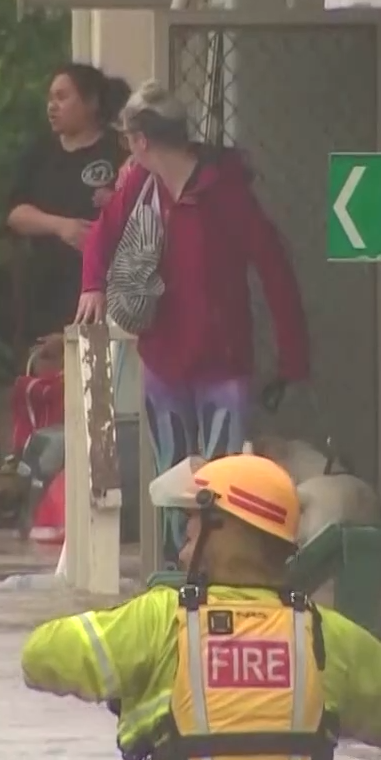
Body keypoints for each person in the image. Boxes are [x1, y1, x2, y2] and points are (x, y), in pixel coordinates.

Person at [19, 453, 381, 760]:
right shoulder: (327, 637)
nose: (182, 555)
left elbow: (39, 655)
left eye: (189, 534)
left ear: (224, 534)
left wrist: (130, 685)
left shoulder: (158, 621)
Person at [75, 81, 309, 566]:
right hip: (165, 360)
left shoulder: (225, 194)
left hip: (222, 364)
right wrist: (92, 285)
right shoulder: (141, 187)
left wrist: (292, 357)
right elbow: (104, 233)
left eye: (127, 139)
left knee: (223, 480)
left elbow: (273, 267)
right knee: (173, 476)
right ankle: (175, 571)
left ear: (141, 141)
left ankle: (222, 567)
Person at [5, 63, 132, 341]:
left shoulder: (120, 149)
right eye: (50, 98)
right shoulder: (39, 152)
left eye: (62, 97)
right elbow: (16, 213)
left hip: (107, 290)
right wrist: (61, 227)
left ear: (92, 102)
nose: (52, 106)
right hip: (47, 292)